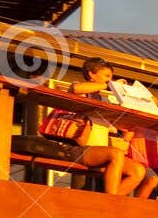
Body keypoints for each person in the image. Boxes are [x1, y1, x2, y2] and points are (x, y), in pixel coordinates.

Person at [22, 57, 146, 196]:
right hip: (77, 148)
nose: (110, 80)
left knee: (138, 170)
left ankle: (110, 201)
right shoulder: (80, 89)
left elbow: (121, 128)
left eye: (111, 77)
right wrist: (110, 85)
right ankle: (112, 201)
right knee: (115, 154)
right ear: (91, 74)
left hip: (101, 152)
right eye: (107, 76)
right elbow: (75, 89)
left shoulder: (105, 100)